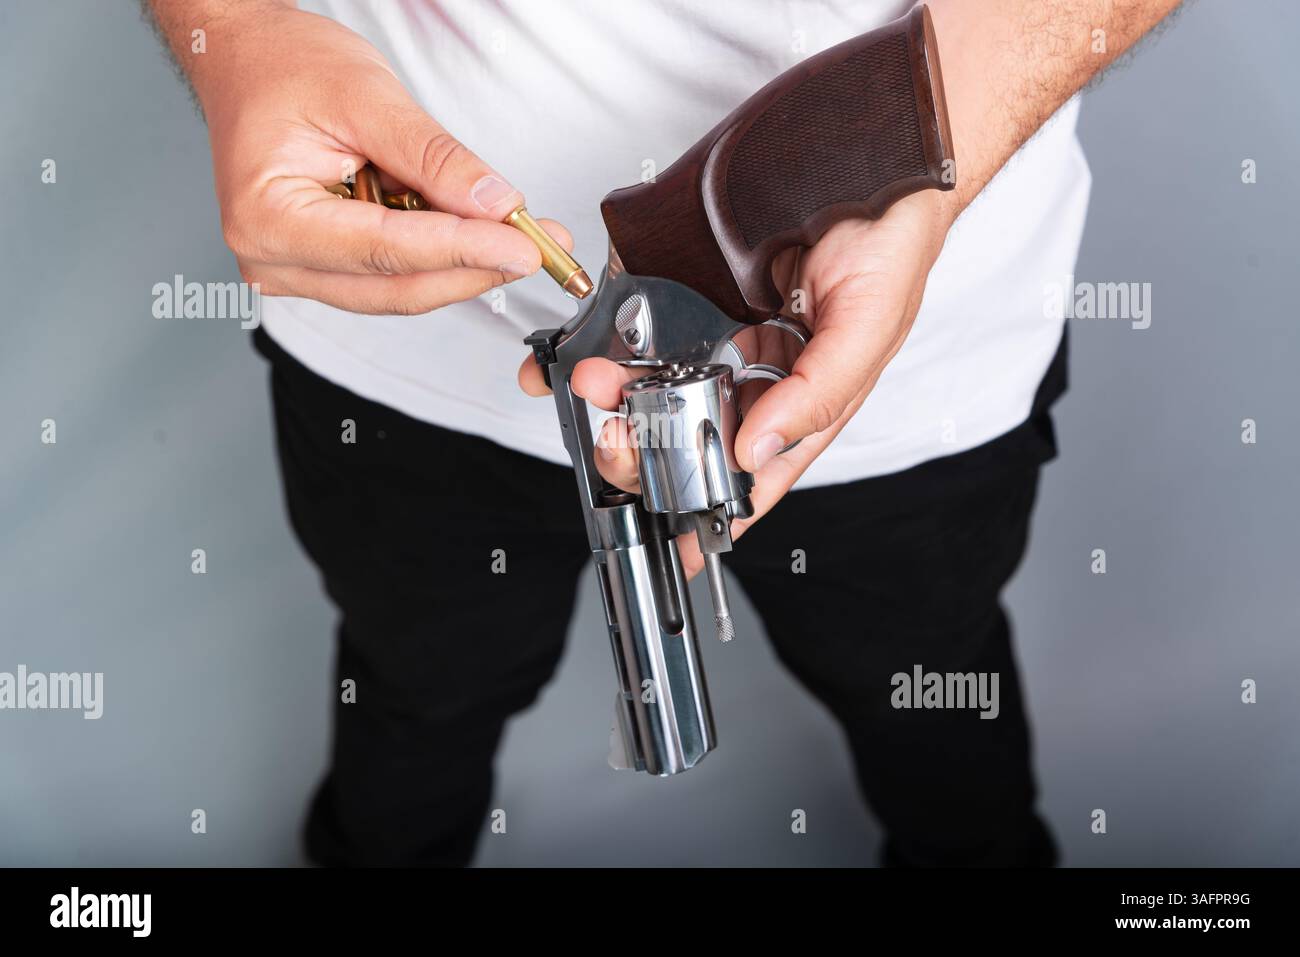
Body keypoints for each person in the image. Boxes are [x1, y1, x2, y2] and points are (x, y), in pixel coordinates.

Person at [146, 0, 1182, 866]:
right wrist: (235, 34)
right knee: (414, 702)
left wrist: (942, 142)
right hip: (401, 349)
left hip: (902, 369)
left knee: (935, 716)